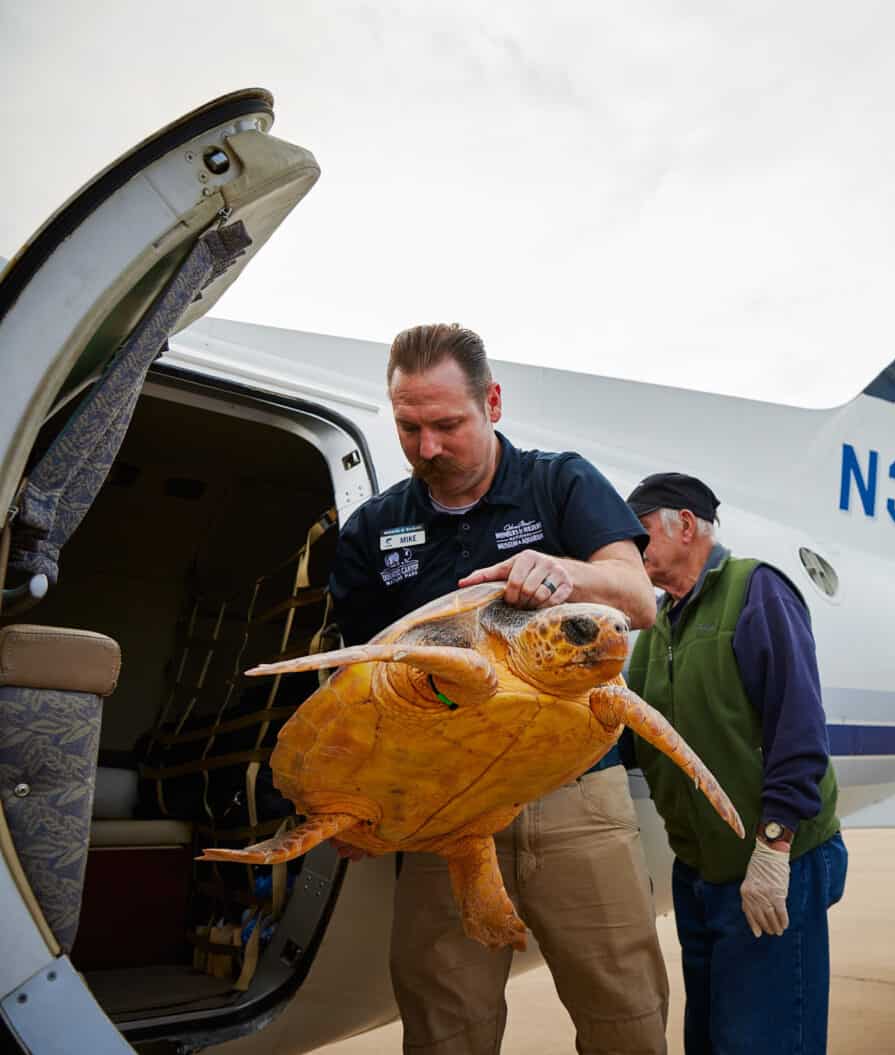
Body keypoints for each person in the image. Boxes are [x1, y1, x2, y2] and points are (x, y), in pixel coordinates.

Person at [326, 323, 669, 1055]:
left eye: (448, 424)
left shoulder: (559, 483)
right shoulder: (373, 530)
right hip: (444, 807)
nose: (427, 448)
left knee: (626, 1017)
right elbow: (355, 682)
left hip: (571, 792)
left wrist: (567, 574)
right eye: (409, 426)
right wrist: (354, 793)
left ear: (494, 403)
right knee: (445, 1023)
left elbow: (638, 597)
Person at [621, 471, 847, 1055]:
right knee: (715, 1039)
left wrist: (773, 848)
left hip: (771, 862)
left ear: (686, 526)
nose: (629, 548)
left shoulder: (757, 591)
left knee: (766, 1041)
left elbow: (798, 731)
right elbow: (631, 736)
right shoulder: (658, 628)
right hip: (702, 875)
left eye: (640, 532)